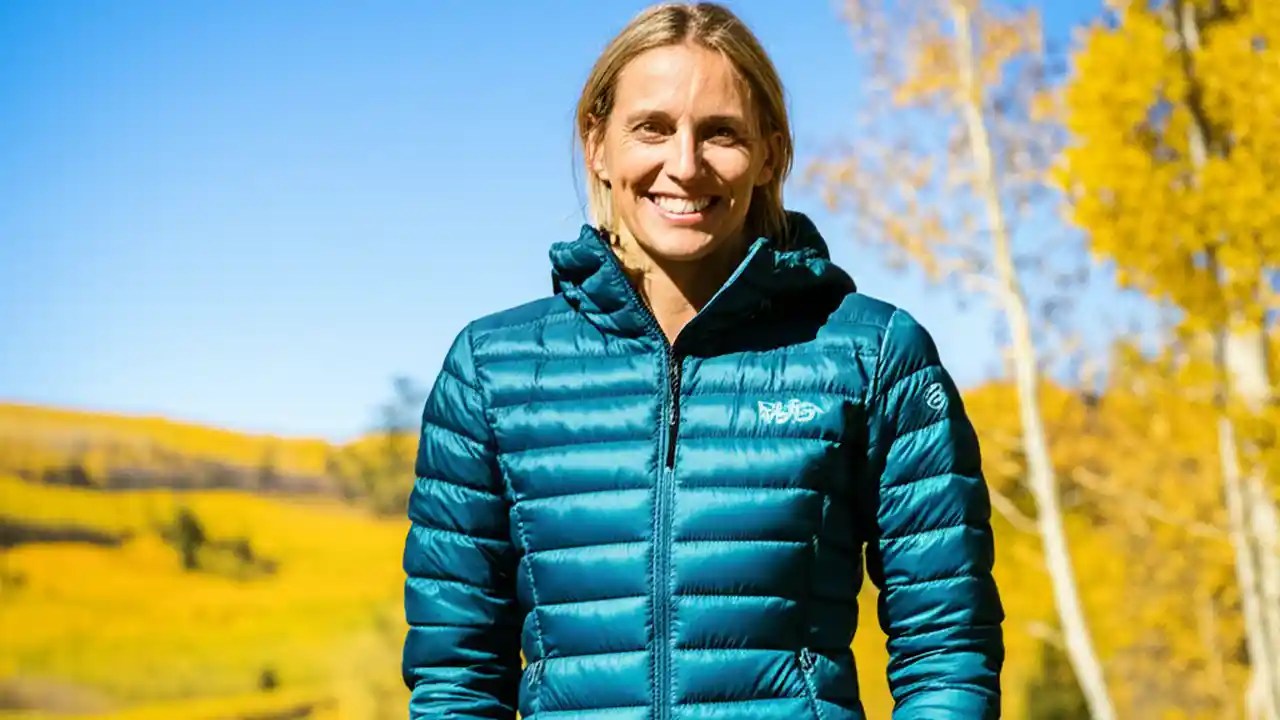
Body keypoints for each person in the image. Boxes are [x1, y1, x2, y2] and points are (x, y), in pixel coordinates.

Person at [400, 3, 1005, 719]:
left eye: (721, 133)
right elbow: (455, 680)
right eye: (651, 127)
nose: (683, 166)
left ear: (772, 152)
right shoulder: (492, 371)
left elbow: (947, 652)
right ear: (597, 144)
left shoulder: (874, 357)